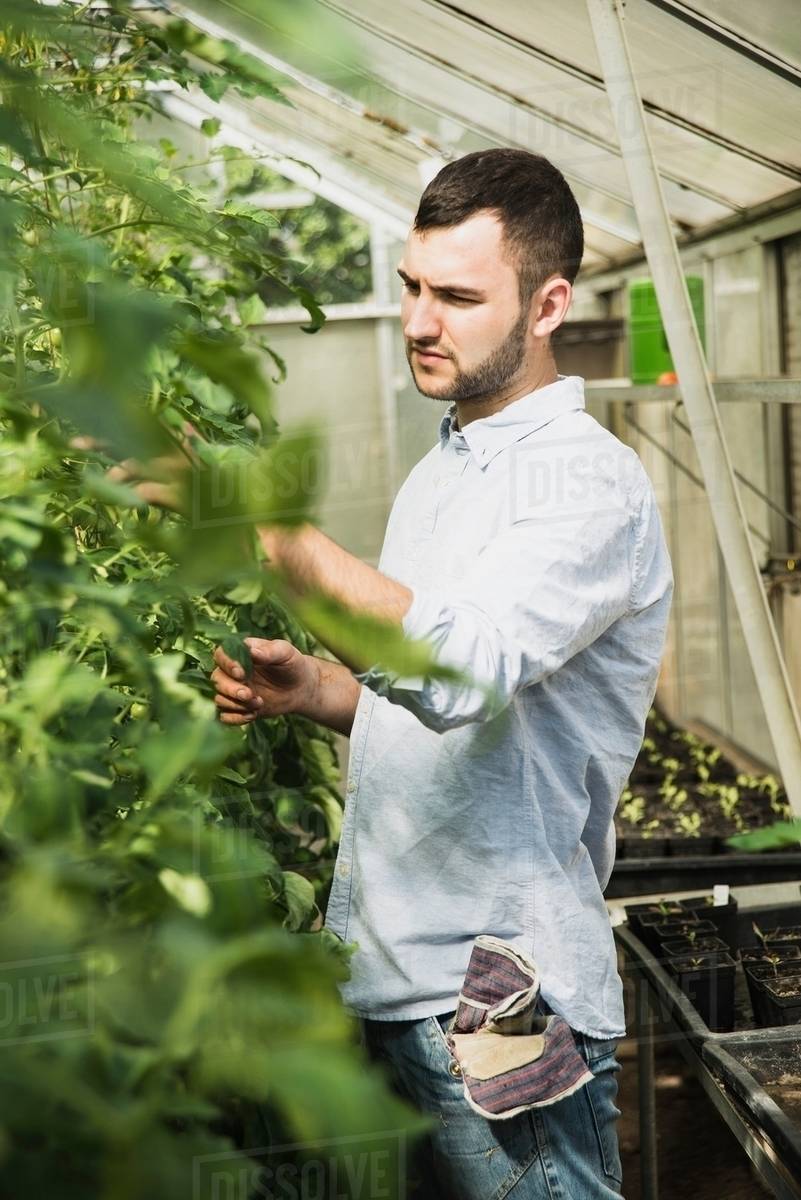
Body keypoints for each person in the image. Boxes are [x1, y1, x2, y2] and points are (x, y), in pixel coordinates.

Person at [209, 148, 674, 1198]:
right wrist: (320, 691)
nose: (421, 321)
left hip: (496, 998)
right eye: (413, 286)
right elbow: (444, 711)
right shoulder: (449, 463)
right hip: (397, 979)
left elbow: (457, 671)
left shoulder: (584, 482)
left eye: (459, 297)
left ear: (549, 304)